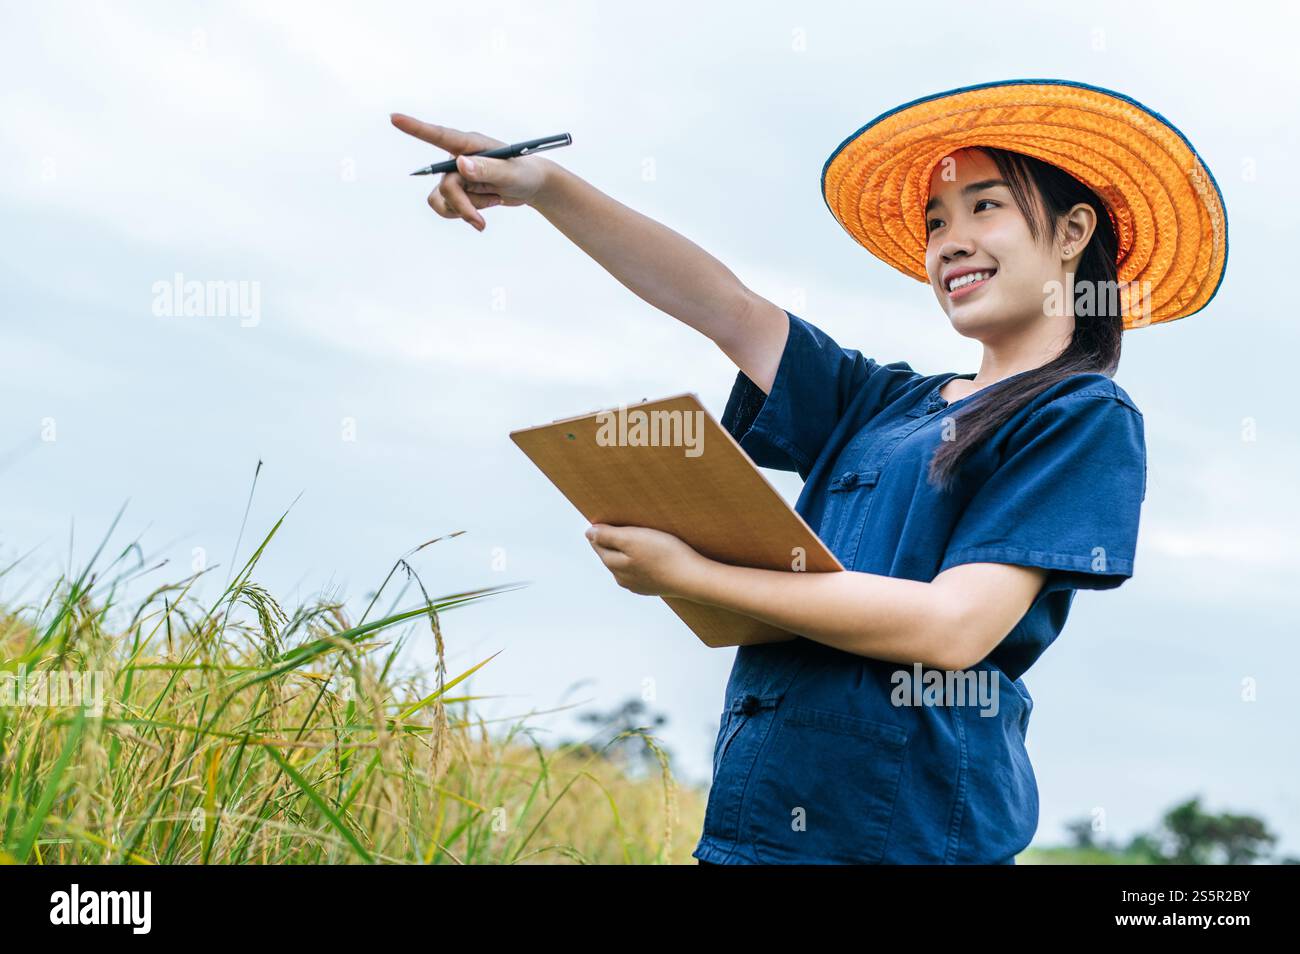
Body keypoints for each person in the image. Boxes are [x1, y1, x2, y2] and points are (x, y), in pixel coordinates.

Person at [391, 78, 1227, 864]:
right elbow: (723, 307)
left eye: (986, 208)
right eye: (936, 221)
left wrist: (699, 576)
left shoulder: (1079, 417)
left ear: (1075, 233)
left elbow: (953, 628)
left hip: (905, 830)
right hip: (759, 811)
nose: (951, 242)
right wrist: (546, 188)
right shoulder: (881, 401)